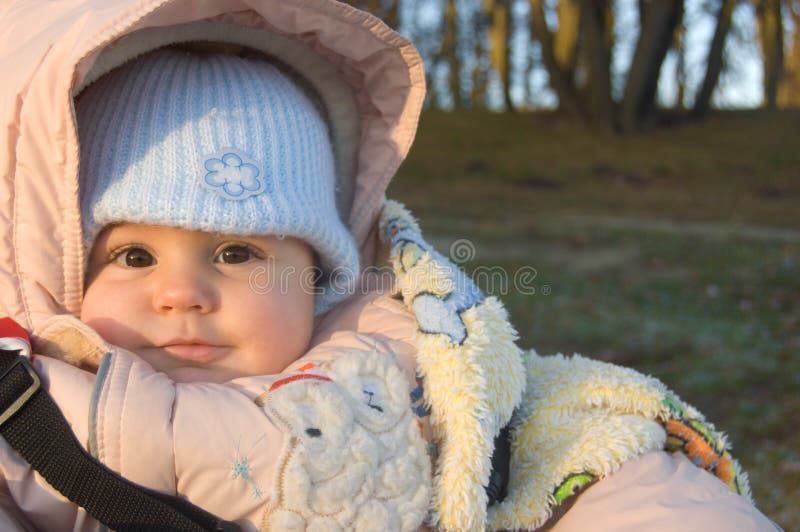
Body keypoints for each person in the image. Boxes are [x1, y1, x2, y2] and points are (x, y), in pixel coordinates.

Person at [0, 1, 779, 531]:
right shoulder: (21, 428)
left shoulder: (432, 383)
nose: (181, 294)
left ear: (322, 273)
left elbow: (612, 477)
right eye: (133, 254)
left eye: (239, 253)